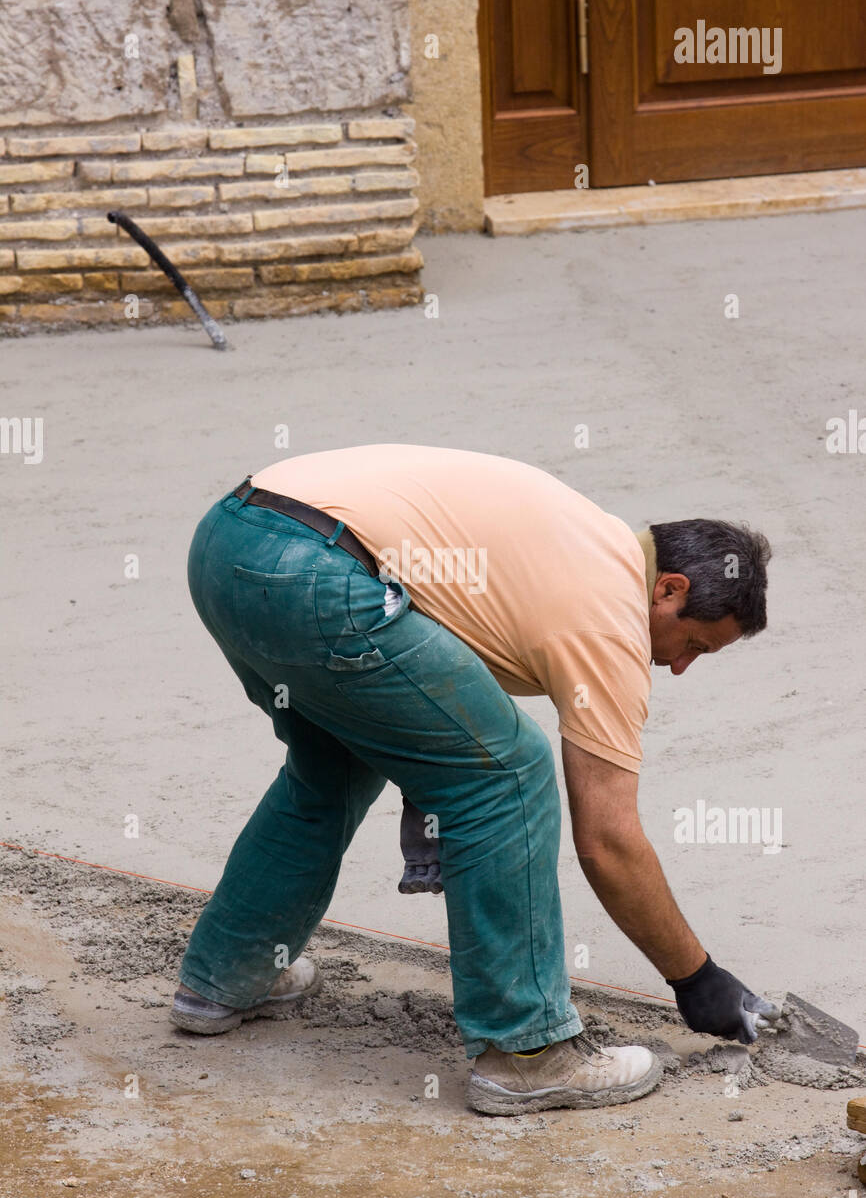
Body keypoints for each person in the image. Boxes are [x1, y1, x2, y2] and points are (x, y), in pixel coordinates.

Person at [171, 445, 778, 1115]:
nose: (682, 667)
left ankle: (226, 978)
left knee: (331, 767)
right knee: (508, 775)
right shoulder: (609, 617)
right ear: (670, 590)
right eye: (694, 645)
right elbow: (607, 837)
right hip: (318, 572)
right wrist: (697, 977)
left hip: (228, 544)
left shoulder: (585, 535)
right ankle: (527, 1053)